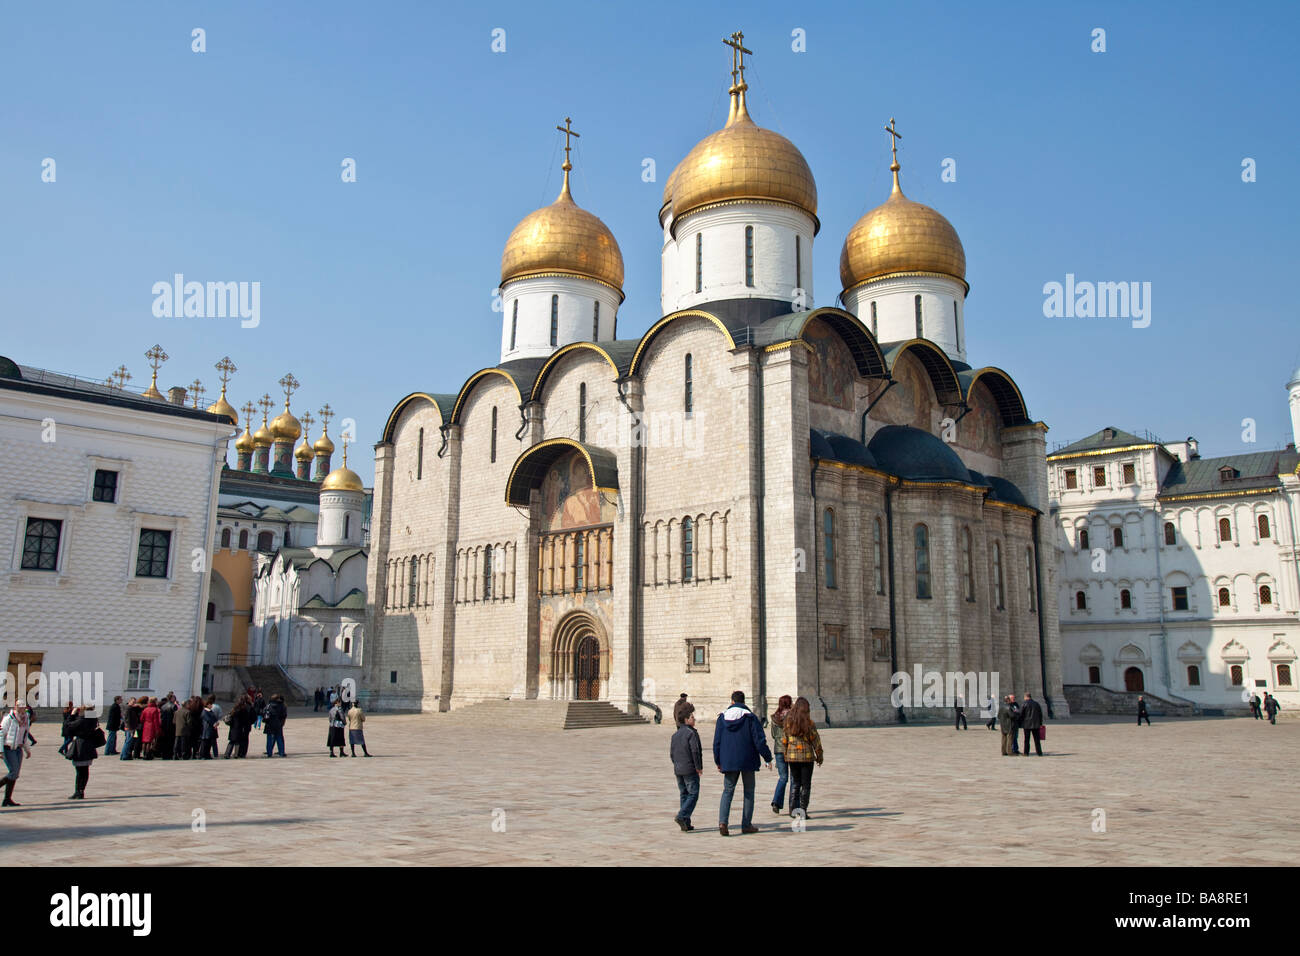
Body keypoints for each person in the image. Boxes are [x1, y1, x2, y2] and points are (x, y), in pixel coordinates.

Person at [712, 690, 772, 836]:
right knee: (749, 791)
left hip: (729, 760)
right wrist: (767, 757)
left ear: (732, 701)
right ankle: (746, 824)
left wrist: (718, 760)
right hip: (748, 759)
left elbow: (717, 742)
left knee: (727, 791)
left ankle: (723, 822)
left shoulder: (722, 718)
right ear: (744, 702)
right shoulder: (750, 718)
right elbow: (759, 740)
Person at [781, 697, 824, 817]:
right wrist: (819, 755)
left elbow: (784, 740)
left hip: (792, 757)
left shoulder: (788, 722)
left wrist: (786, 753)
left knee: (795, 783)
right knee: (806, 785)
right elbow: (816, 740)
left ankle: (792, 810)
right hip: (806, 757)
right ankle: (803, 810)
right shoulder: (809, 723)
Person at [670, 710, 702, 831]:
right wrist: (698, 767)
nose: (694, 719)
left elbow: (672, 753)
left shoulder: (675, 734)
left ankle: (686, 822)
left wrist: (676, 764)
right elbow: (695, 751)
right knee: (693, 794)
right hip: (689, 768)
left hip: (678, 769)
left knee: (684, 794)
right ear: (686, 720)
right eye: (692, 717)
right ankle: (682, 816)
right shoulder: (691, 733)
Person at [1, 702, 36, 807]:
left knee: (15, 774)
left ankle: (7, 799)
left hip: (18, 749)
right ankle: (7, 799)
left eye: (23, 707)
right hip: (8, 748)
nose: (22, 709)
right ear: (15, 707)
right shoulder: (9, 718)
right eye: (20, 707)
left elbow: (24, 736)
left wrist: (27, 749)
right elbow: (1, 734)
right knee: (14, 773)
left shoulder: (26, 719)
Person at [62, 706, 101, 800]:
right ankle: (81, 791)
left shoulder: (82, 720)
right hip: (89, 745)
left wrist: (71, 715)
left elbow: (67, 726)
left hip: (81, 745)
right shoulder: (93, 719)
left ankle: (78, 791)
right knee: (85, 770)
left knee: (79, 770)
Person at [769, 694, 792, 814]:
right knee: (794, 778)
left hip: (778, 750)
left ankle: (776, 802)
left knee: (783, 777)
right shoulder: (793, 717)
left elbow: (773, 735)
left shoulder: (774, 718)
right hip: (791, 749)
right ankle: (794, 805)